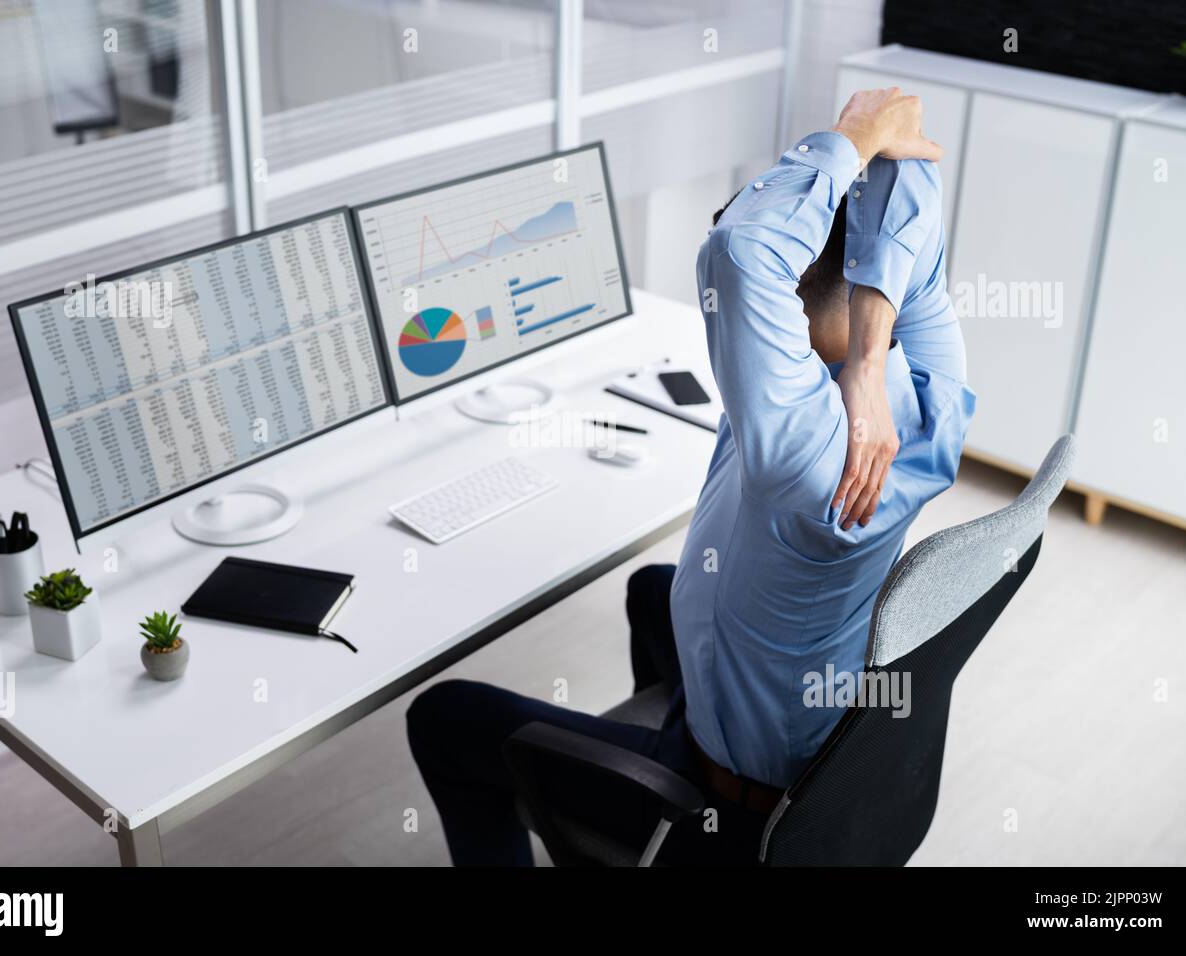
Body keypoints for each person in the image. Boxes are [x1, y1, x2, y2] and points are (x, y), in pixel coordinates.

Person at [406, 88, 975, 865]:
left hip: (730, 810)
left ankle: (658, 822)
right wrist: (870, 360)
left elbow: (741, 254)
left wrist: (850, 136)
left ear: (786, 307)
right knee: (652, 589)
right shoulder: (933, 399)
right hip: (806, 730)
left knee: (444, 716)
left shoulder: (803, 454)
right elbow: (910, 216)